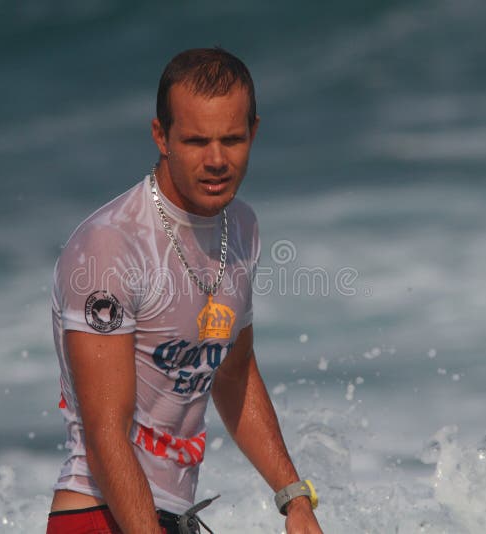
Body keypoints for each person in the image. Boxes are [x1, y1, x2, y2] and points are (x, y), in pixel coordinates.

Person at [47, 48, 323, 534]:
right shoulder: (111, 246)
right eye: (196, 141)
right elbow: (104, 433)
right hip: (98, 515)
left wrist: (294, 498)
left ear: (254, 132)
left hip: (171, 518)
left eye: (232, 140)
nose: (216, 160)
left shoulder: (241, 227)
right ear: (162, 136)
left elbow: (233, 373)